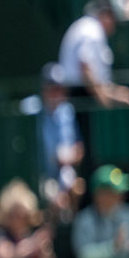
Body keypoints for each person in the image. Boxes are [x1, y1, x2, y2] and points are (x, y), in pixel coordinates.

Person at [57, 1, 129, 109]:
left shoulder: (87, 26)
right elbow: (85, 69)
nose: (114, 23)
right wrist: (104, 100)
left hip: (81, 92)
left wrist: (114, 91)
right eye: (113, 18)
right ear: (105, 16)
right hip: (81, 95)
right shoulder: (92, 29)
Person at [34, 63, 83, 195]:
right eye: (52, 89)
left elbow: (79, 147)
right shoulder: (32, 110)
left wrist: (71, 156)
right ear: (43, 89)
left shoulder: (68, 112)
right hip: (37, 175)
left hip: (64, 173)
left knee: (76, 187)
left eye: (60, 89)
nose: (57, 94)